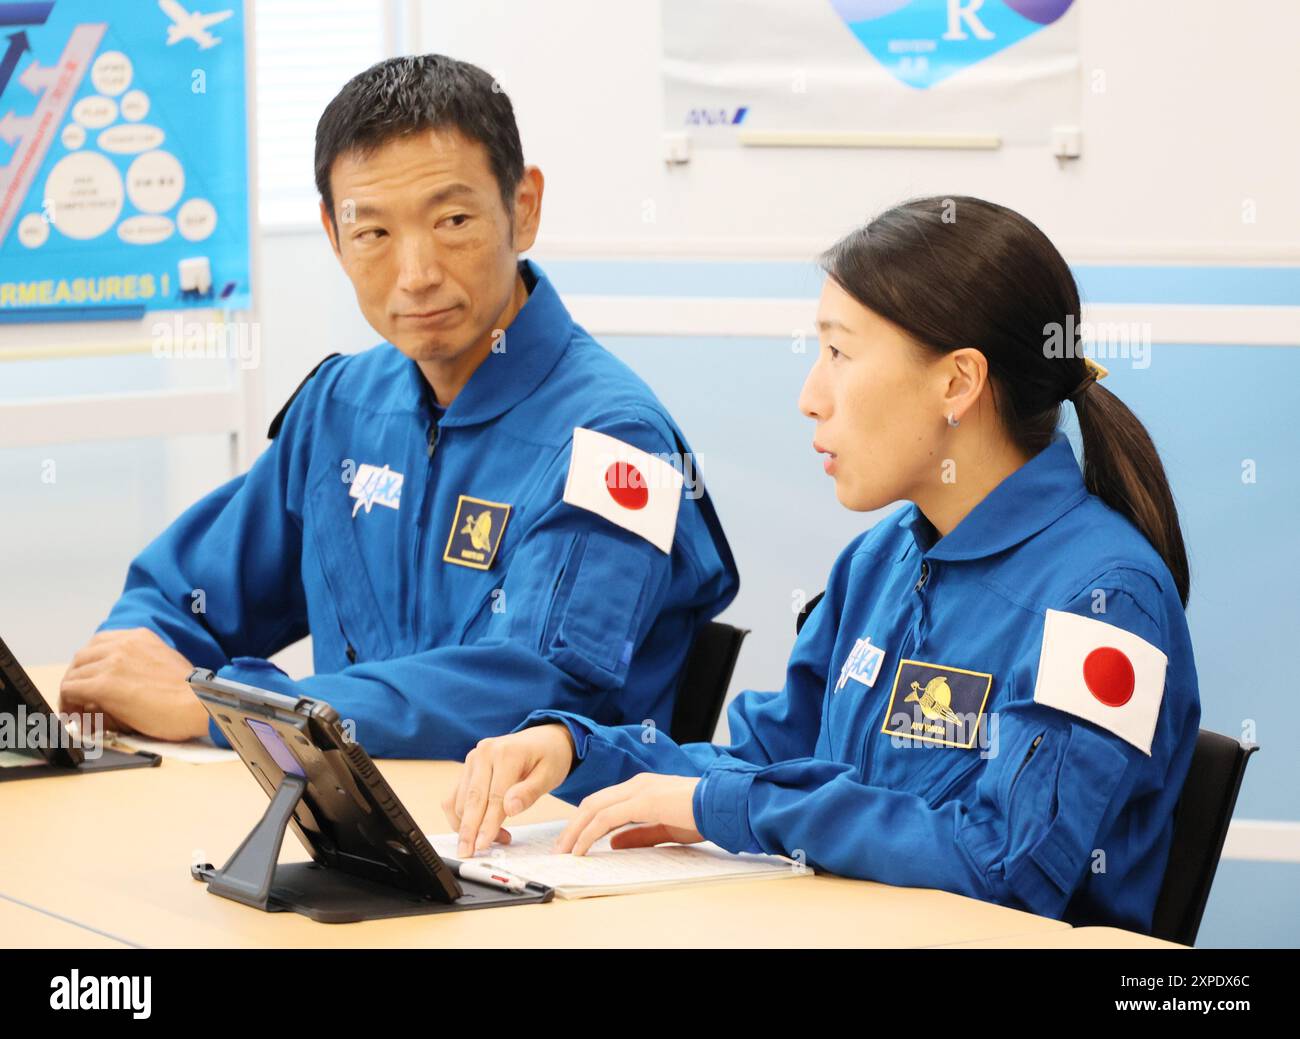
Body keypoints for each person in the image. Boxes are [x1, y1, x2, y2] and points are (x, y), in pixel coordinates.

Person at [443, 196, 1201, 931]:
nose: (811, 395)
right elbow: (764, 758)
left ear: (958, 382)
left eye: (839, 352)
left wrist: (732, 804)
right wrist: (579, 746)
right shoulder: (882, 558)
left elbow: (1006, 867)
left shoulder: (1106, 599)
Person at [58, 55, 738, 765]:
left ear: (523, 208)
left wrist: (233, 708)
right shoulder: (340, 407)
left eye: (452, 219)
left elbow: (536, 692)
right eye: (373, 232)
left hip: (543, 854)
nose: (416, 275)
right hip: (352, 836)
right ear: (334, 235)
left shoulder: (619, 445)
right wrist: (137, 666)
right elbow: (178, 597)